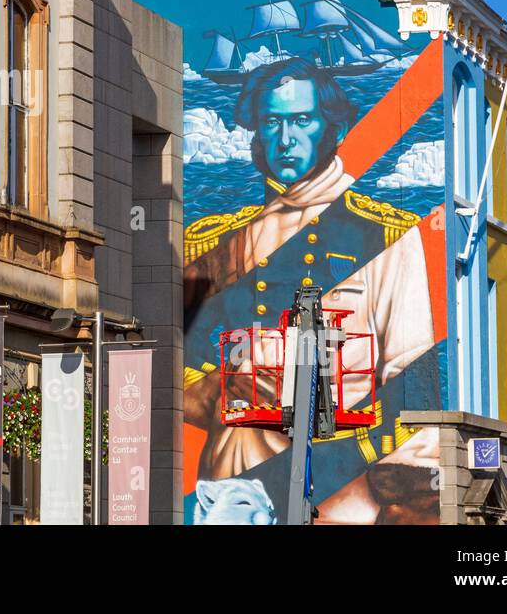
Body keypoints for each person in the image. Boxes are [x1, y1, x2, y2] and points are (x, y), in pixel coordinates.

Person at [183, 57, 438, 522]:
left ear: (335, 129)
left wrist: (403, 480)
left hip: (341, 479)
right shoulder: (218, 242)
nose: (286, 138)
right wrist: (221, 387)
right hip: (236, 477)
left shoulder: (385, 235)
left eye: (302, 120)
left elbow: (410, 372)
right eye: (272, 122)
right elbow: (174, 366)